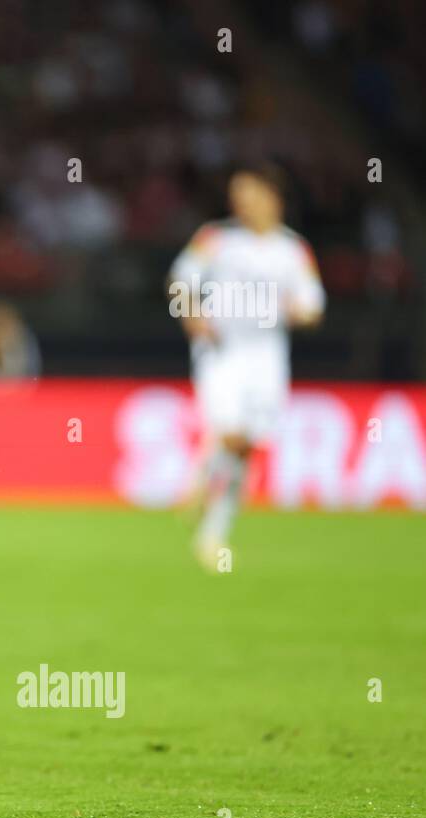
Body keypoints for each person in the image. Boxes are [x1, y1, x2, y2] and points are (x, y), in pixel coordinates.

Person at [168, 163, 324, 570]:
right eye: (237, 193)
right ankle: (204, 481)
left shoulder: (293, 249)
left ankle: (212, 533)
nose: (241, 202)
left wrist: (300, 312)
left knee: (247, 446)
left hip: (267, 357)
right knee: (232, 434)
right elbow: (180, 281)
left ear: (272, 198)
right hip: (221, 352)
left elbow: (313, 305)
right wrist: (192, 316)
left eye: (249, 192)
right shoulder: (215, 238)